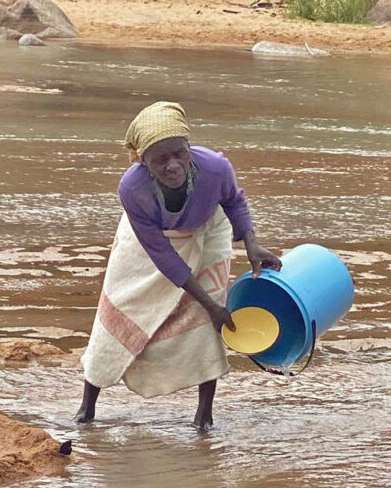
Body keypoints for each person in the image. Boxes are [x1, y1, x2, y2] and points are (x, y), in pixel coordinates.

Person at [77, 102, 280, 432]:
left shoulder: (214, 167)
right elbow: (162, 255)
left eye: (179, 154)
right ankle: (87, 408)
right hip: (148, 240)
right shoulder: (133, 189)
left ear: (189, 148)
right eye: (160, 159)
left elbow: (233, 201)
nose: (173, 166)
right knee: (119, 309)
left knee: (210, 320)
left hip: (208, 229)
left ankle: (204, 416)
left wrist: (251, 243)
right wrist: (209, 303)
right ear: (143, 162)